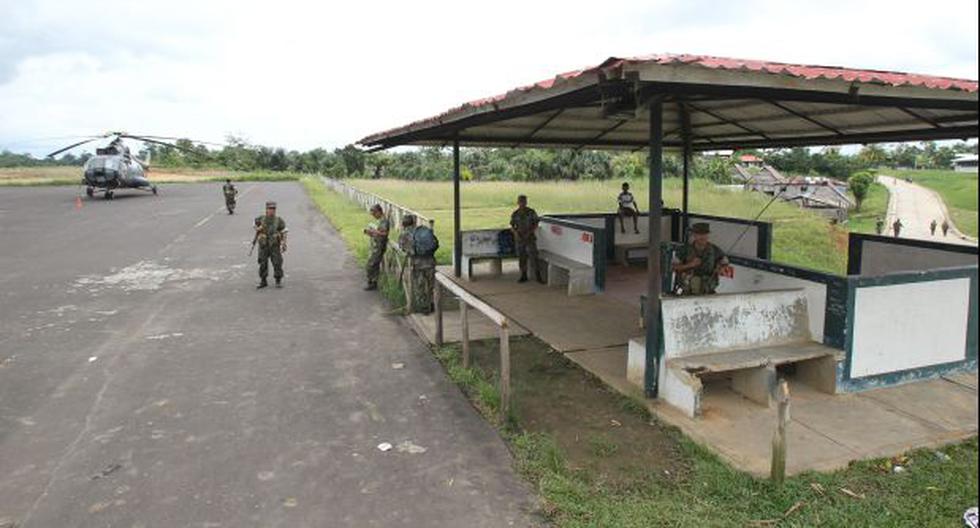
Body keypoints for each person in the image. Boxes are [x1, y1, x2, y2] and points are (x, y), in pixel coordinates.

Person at [672, 222, 730, 296]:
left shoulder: (715, 250)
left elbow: (725, 263)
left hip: (708, 292)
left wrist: (721, 268)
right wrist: (690, 264)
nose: (703, 237)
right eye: (699, 234)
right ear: (694, 235)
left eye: (705, 234)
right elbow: (674, 267)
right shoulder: (684, 250)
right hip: (687, 293)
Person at [398, 215, 438, 314]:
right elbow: (435, 243)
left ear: (403, 224)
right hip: (430, 261)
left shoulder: (404, 234)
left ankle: (424, 307)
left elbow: (403, 248)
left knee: (419, 286)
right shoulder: (423, 231)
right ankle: (432, 304)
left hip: (417, 263)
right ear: (414, 222)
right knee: (431, 285)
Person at [254, 201, 287, 289]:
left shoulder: (278, 220)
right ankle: (263, 281)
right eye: (270, 209)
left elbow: (284, 231)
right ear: (266, 209)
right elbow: (254, 225)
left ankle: (278, 280)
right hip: (263, 245)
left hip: (274, 244)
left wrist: (284, 243)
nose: (272, 210)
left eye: (273, 209)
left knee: (277, 262)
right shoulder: (261, 218)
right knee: (262, 263)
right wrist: (258, 229)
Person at [510, 195, 541, 283]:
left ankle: (538, 275)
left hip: (530, 237)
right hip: (520, 238)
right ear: (518, 202)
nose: (522, 203)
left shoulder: (531, 212)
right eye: (520, 202)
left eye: (524, 201)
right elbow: (512, 226)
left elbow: (536, 224)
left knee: (534, 257)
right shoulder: (515, 213)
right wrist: (516, 233)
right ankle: (523, 275)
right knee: (521, 257)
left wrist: (530, 232)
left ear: (526, 202)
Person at [363, 204, 390, 291]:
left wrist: (374, 231)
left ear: (378, 212)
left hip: (379, 247)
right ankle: (373, 282)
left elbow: (385, 233)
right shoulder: (381, 220)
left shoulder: (384, 221)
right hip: (377, 245)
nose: (374, 216)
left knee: (370, 265)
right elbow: (380, 233)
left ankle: (372, 282)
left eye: (374, 214)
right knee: (374, 265)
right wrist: (370, 233)